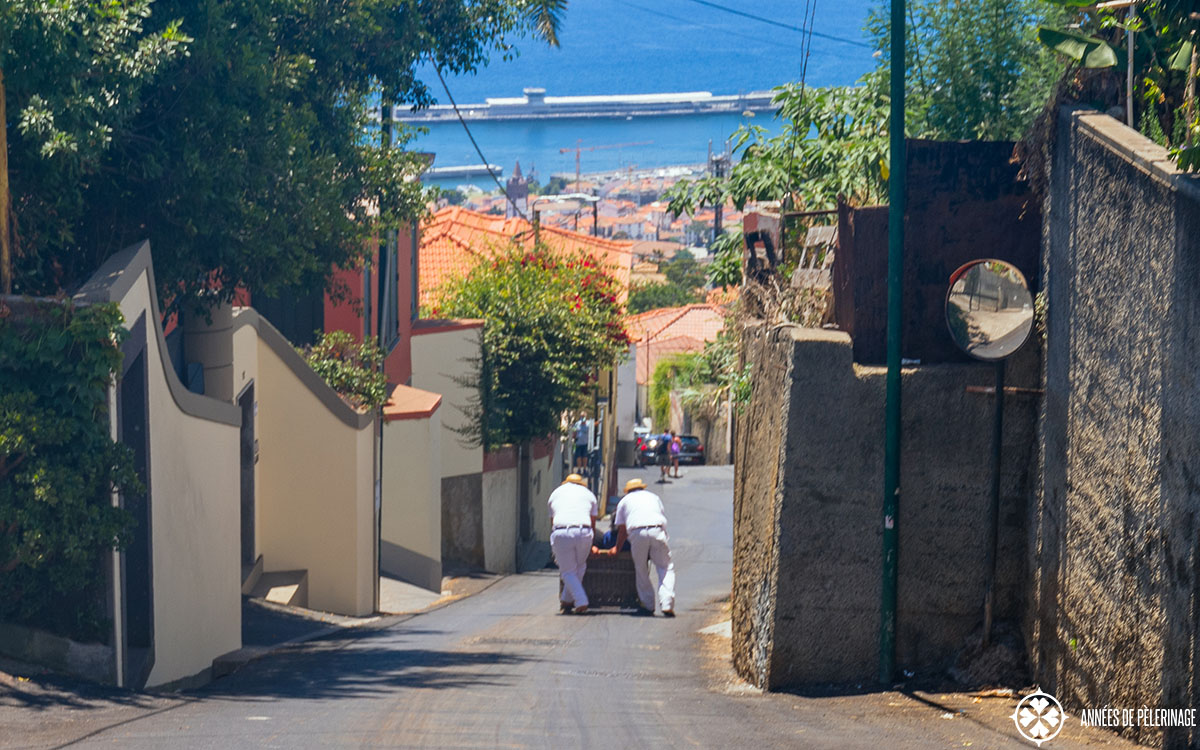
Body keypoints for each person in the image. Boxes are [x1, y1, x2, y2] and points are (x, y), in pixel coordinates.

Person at [607, 478, 675, 617]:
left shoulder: (624, 501)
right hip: (657, 530)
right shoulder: (653, 497)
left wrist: (617, 548)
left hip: (637, 532)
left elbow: (622, 529)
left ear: (628, 491)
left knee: (641, 568)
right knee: (665, 567)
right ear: (642, 488)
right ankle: (667, 603)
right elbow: (661, 517)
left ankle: (648, 604)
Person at [548, 473, 599, 614]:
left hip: (561, 531)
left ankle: (581, 600)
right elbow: (593, 521)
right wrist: (592, 541)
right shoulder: (589, 494)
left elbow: (552, 521)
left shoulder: (555, 493)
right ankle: (566, 599)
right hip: (584, 531)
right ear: (581, 484)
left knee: (567, 571)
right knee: (580, 566)